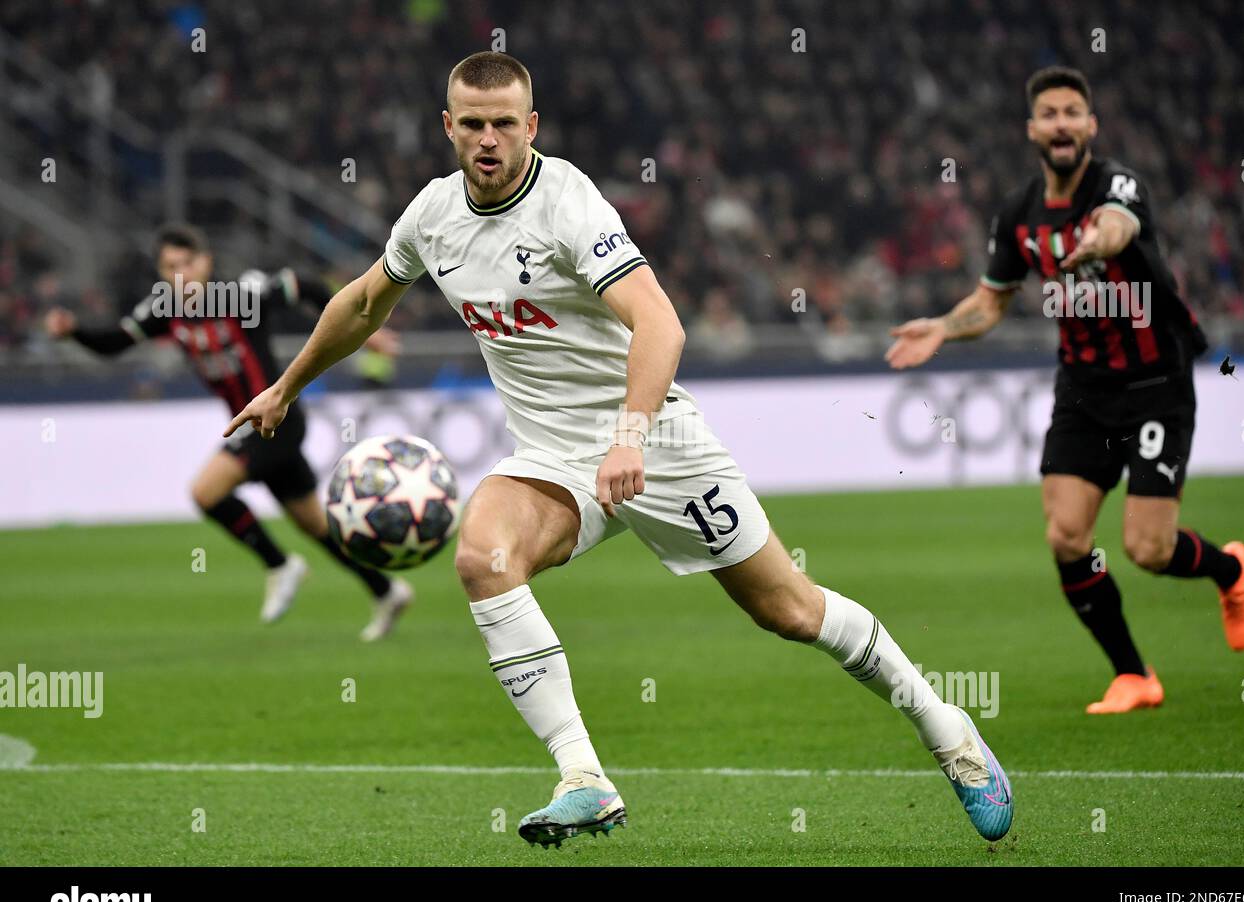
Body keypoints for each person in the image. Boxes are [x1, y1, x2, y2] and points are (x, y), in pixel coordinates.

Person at [225, 52, 1013, 846]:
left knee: (789, 610)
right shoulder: (432, 216)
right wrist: (286, 387)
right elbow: (364, 303)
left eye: (505, 124)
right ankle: (583, 777)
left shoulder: (569, 205)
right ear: (448, 128)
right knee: (483, 557)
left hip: (657, 439)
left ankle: (946, 730)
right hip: (551, 458)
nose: (489, 139)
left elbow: (660, 322)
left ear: (531, 126)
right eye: (473, 124)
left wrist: (630, 436)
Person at [886, 66, 1244, 713]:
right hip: (1083, 390)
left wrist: (1095, 241)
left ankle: (1229, 570)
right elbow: (991, 300)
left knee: (1148, 548)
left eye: (1072, 113)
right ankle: (1134, 675)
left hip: (1154, 383)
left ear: (1091, 125)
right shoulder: (1019, 213)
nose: (1062, 124)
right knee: (1065, 536)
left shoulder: (1117, 185)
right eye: (1049, 114)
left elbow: (1118, 225)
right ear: (1032, 129)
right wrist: (943, 328)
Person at [47, 223, 414, 641]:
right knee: (316, 526)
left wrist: (366, 331)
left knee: (206, 492)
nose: (181, 273)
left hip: (277, 420)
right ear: (161, 271)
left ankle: (280, 565)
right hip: (256, 428)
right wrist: (72, 331)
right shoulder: (164, 310)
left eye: (188, 262)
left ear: (206, 262)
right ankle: (386, 590)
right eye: (171, 266)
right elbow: (115, 341)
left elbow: (303, 285)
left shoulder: (240, 296)